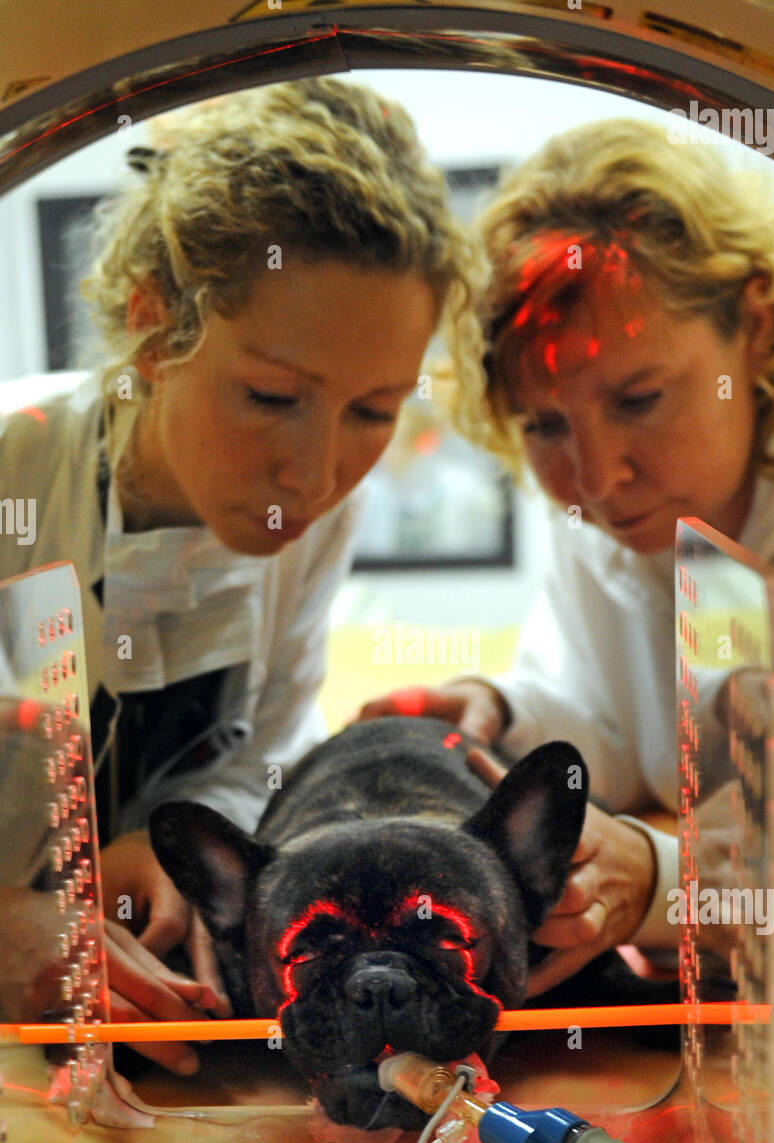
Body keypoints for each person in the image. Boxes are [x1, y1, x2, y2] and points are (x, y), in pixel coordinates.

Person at [0, 77, 482, 1072]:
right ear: (151, 325)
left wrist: (163, 849)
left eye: (372, 411)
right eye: (271, 396)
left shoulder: (306, 514)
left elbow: (254, 746)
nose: (314, 476)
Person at [356, 119, 774, 1008]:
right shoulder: (616, 516)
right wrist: (505, 711)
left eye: (640, 399)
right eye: (544, 425)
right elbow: (621, 739)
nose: (596, 480)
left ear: (755, 322)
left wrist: (672, 885)